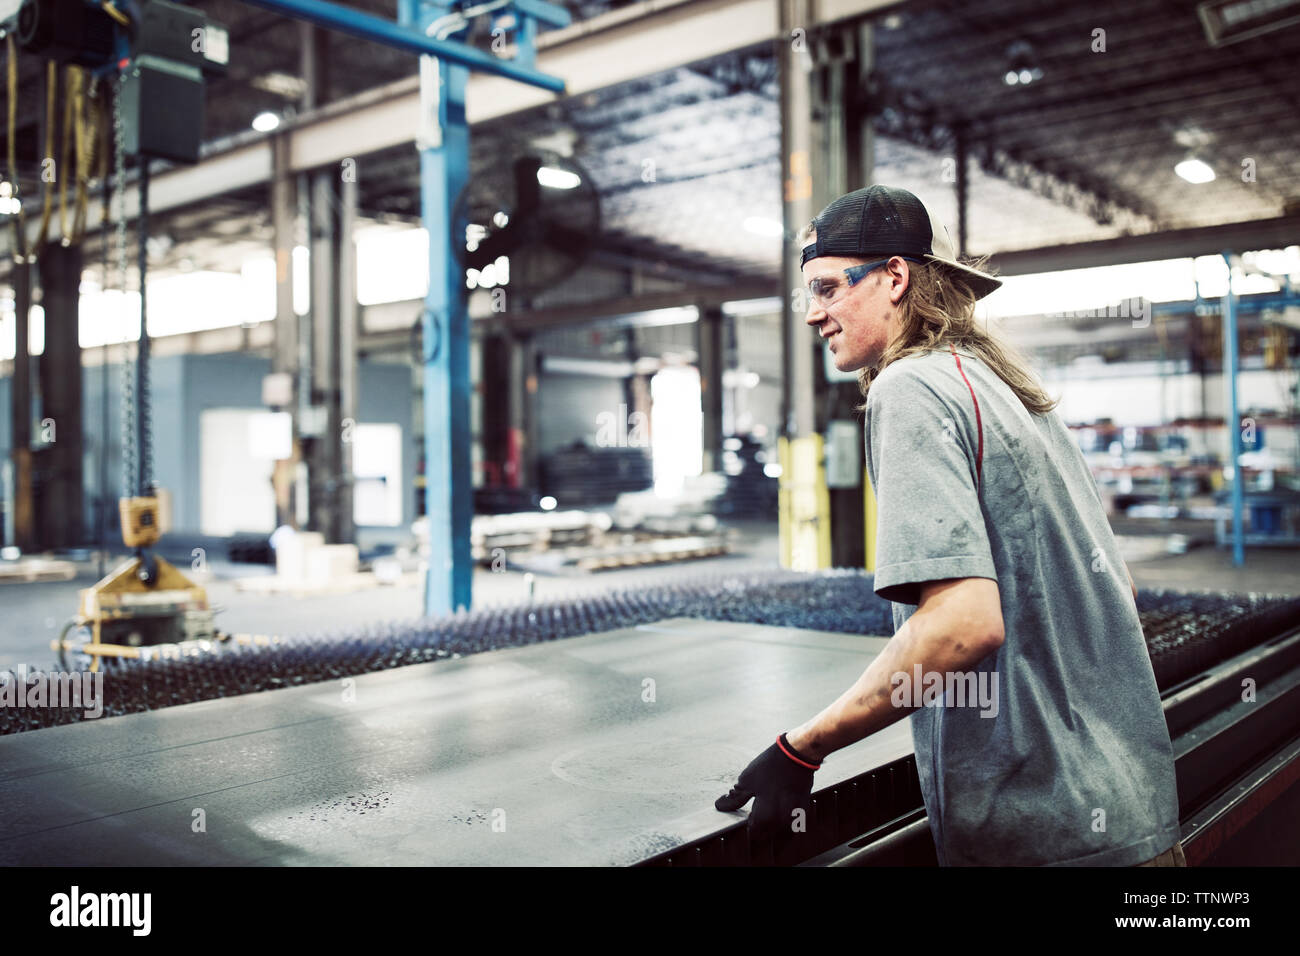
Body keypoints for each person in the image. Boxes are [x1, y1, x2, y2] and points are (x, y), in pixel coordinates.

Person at [714, 184, 1184, 867]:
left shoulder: (909, 389)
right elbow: (1118, 593)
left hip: (1043, 838)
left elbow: (962, 627)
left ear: (894, 278)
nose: (812, 315)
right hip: (1130, 818)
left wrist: (802, 747)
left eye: (826, 288)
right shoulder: (1011, 390)